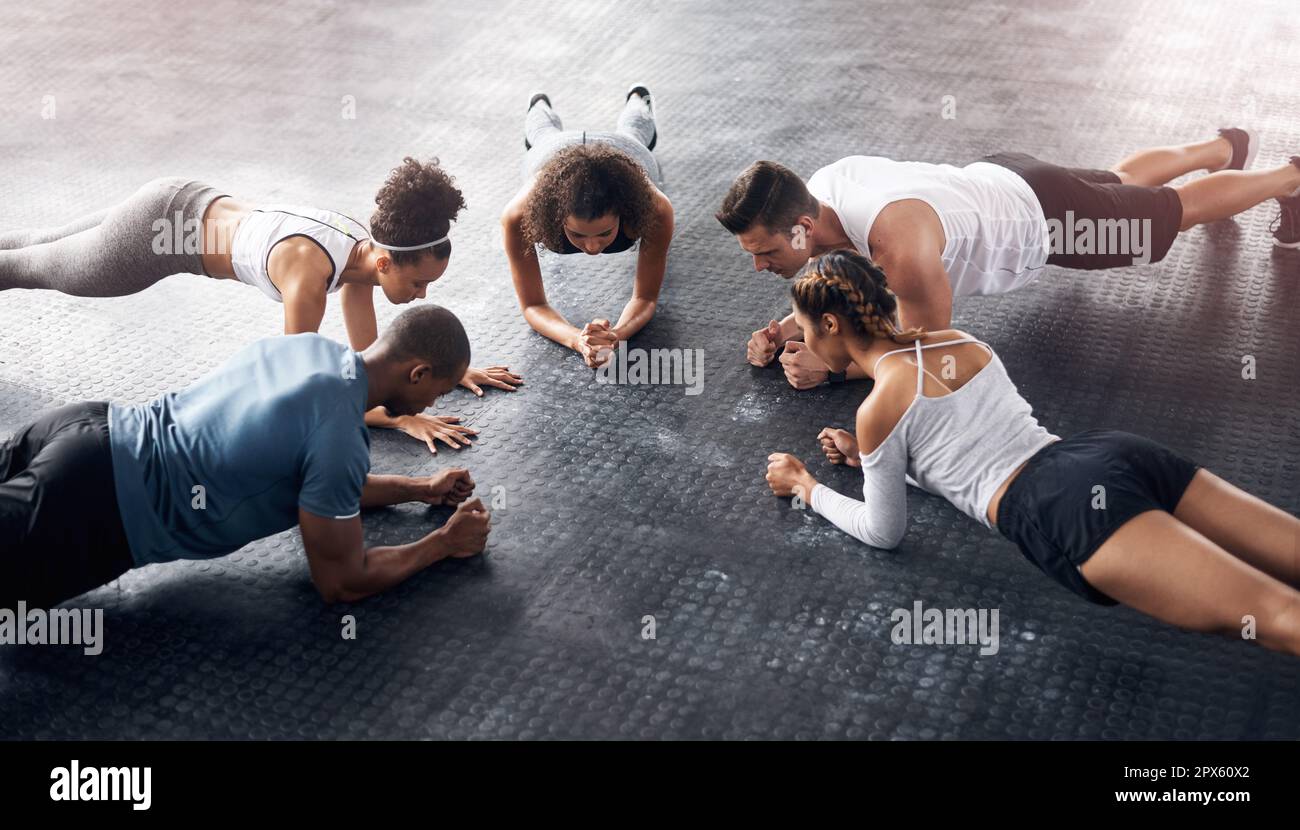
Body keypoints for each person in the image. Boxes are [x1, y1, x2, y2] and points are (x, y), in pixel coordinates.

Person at [763, 250, 1300, 656]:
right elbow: (961, 444)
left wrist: (808, 487)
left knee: (1277, 613)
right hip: (1109, 453)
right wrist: (875, 459)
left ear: (830, 323)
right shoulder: (958, 341)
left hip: (1056, 505)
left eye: (806, 329)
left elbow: (884, 533)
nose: (805, 343)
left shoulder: (878, 408)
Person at [0, 158, 522, 453]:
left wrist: (446, 371)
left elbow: (371, 357)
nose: (422, 297)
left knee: (34, 246)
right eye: (419, 284)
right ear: (387, 265)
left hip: (178, 195)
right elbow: (299, 391)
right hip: (155, 238)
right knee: (27, 268)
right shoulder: (309, 276)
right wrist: (402, 420)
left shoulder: (363, 250)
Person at [717, 129, 1300, 389]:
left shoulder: (901, 250)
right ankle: (1226, 144)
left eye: (766, 252)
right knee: (1121, 182)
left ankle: (1289, 178)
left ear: (800, 227)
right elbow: (842, 273)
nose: (759, 267)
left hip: (1047, 220)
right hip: (1003, 174)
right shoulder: (820, 194)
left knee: (1176, 210)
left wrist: (832, 367)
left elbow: (930, 352)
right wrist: (789, 327)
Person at [0, 304, 491, 610]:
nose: (433, 406)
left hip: (84, 426)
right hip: (94, 503)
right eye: (440, 392)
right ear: (418, 373)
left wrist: (419, 490)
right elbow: (342, 582)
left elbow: (319, 486)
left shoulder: (311, 350)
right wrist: (443, 544)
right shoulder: (340, 435)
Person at [502, 86, 675, 367]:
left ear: (625, 212)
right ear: (556, 219)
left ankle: (637, 99)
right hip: (552, 152)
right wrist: (577, 339)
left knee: (635, 132)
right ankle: (538, 104)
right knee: (543, 134)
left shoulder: (656, 209)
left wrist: (616, 335)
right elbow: (533, 305)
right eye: (577, 234)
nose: (593, 247)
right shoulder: (518, 216)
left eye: (606, 233)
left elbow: (645, 297)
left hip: (622, 148)